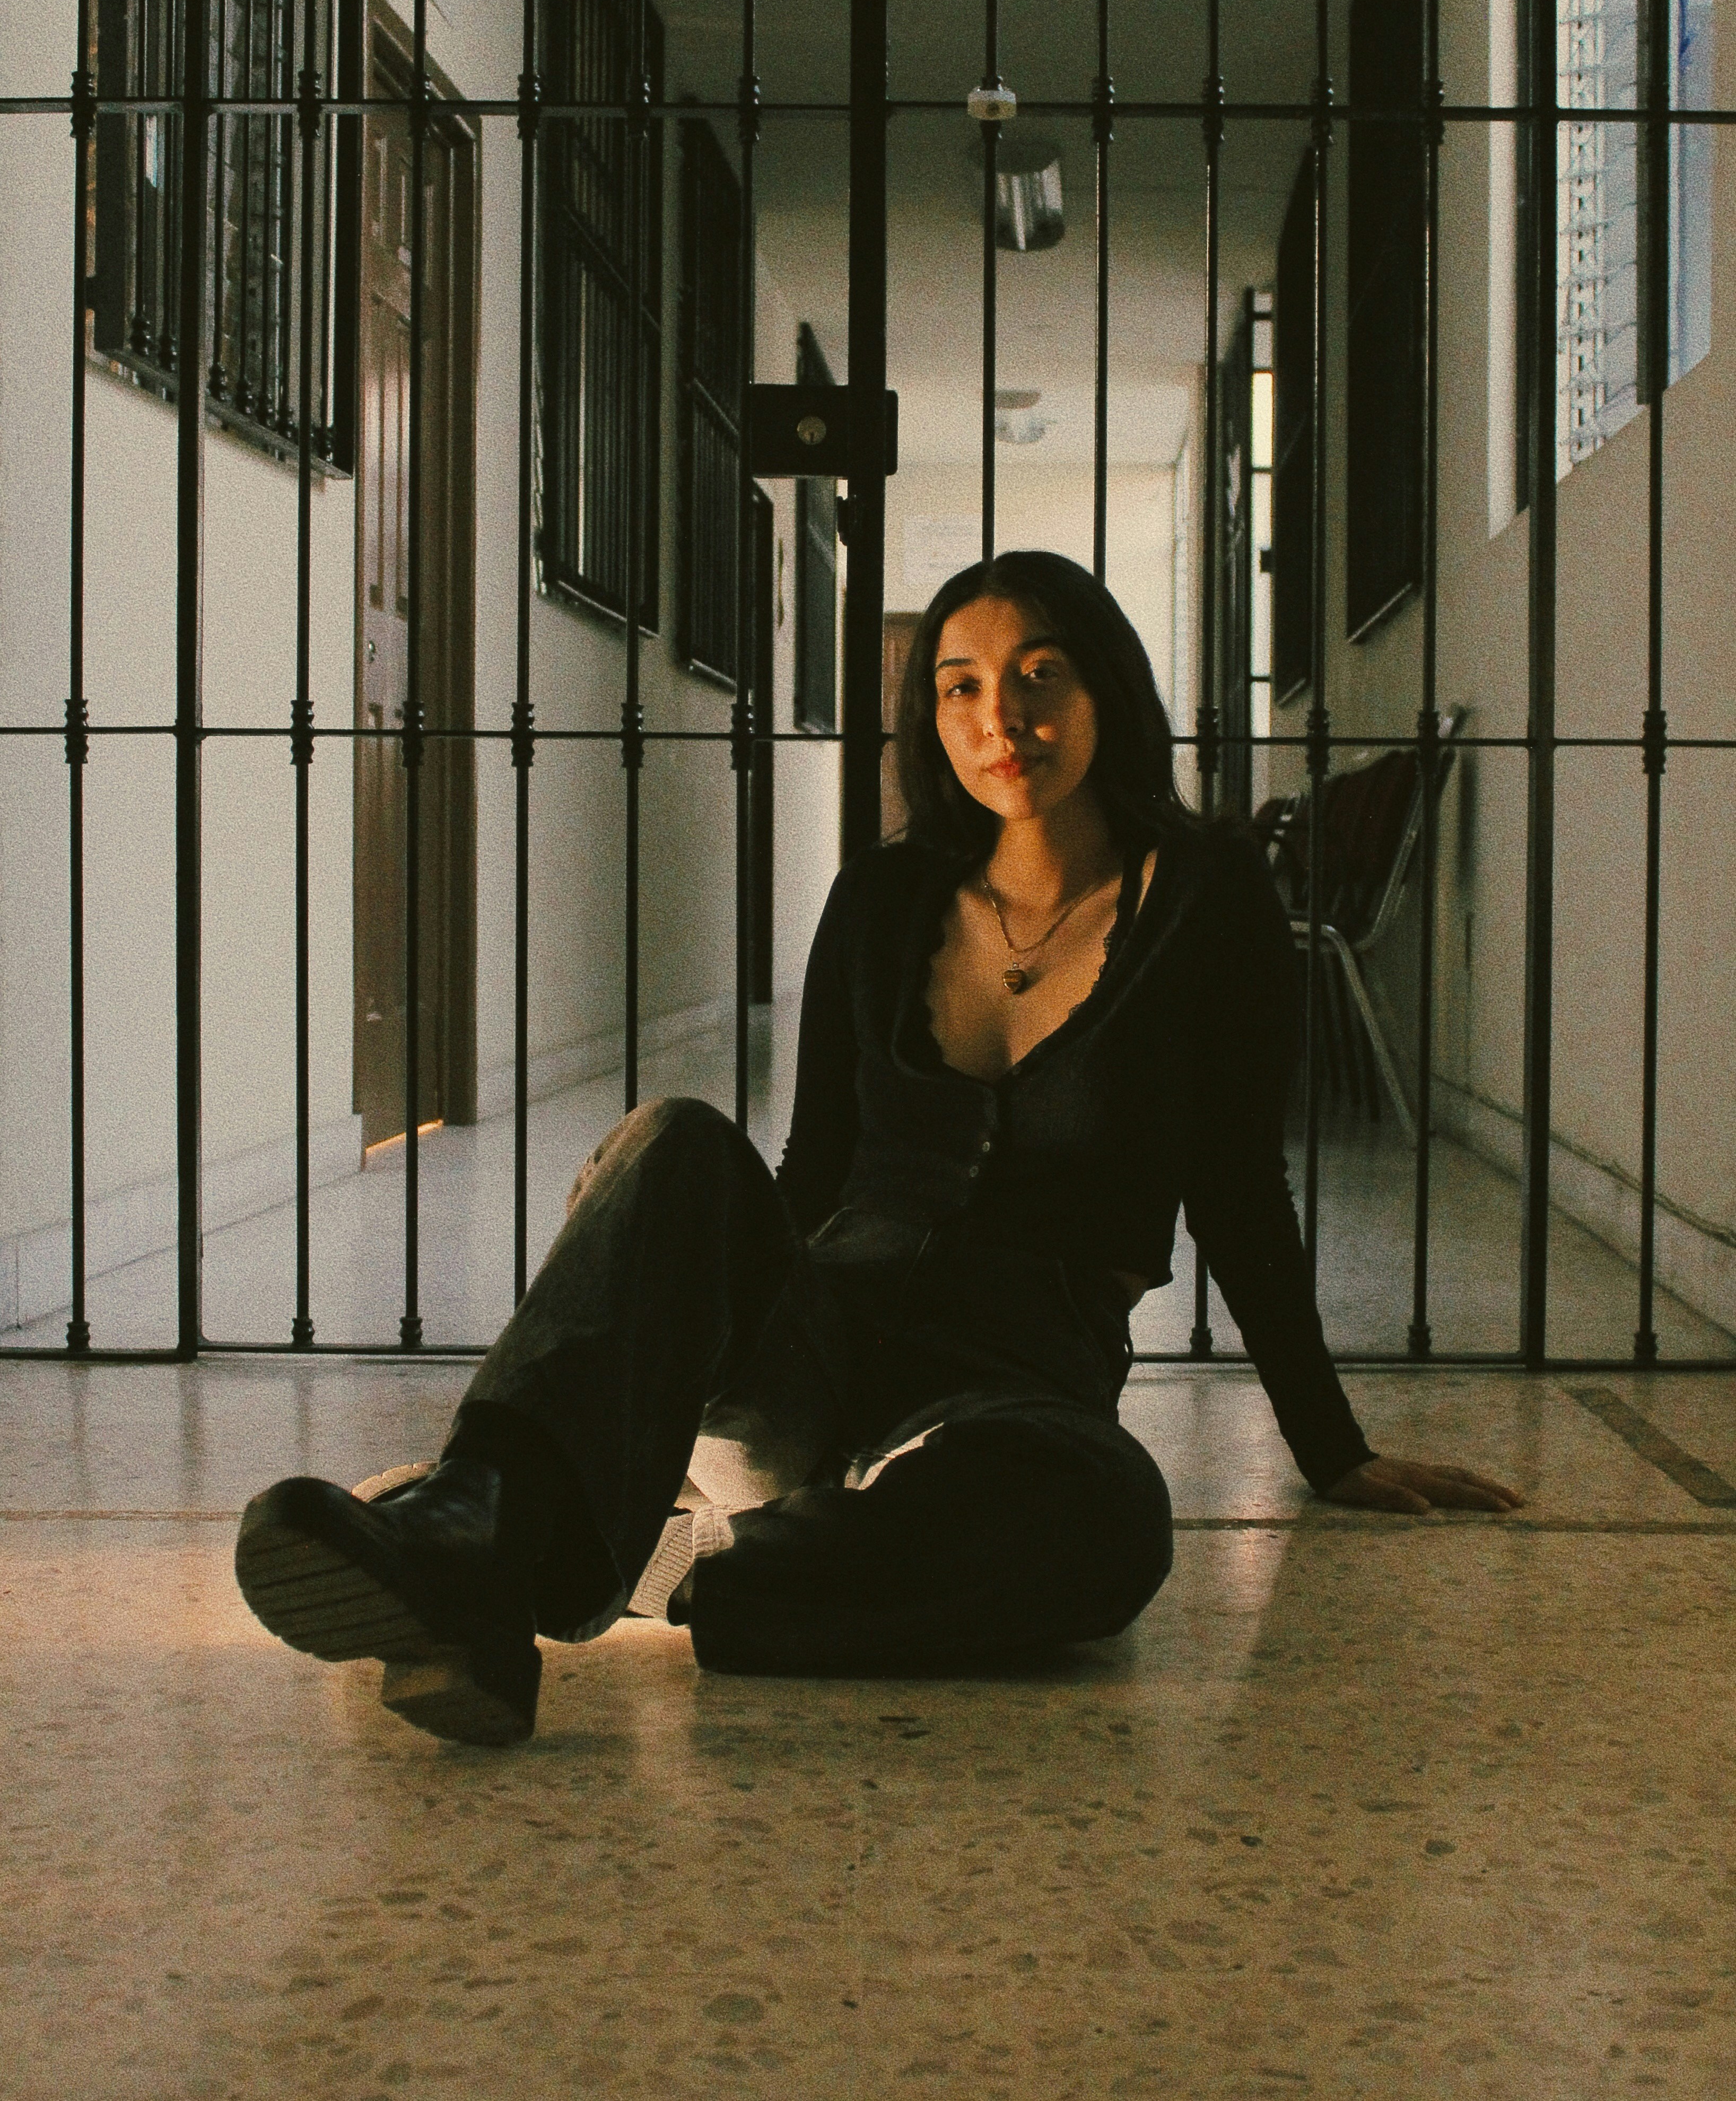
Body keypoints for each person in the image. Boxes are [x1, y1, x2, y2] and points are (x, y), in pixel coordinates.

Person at [234, 551, 1522, 1746]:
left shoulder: (1206, 897)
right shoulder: (882, 897)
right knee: (670, 1142)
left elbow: (1238, 1189)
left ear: (1106, 690)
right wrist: (697, 1300)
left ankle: (645, 1565)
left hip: (1007, 1386)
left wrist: (1330, 1447)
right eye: (959, 684)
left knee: (1111, 1521)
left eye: (1039, 675)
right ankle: (482, 1517)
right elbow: (811, 1173)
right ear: (927, 715)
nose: (998, 718)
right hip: (815, 1348)